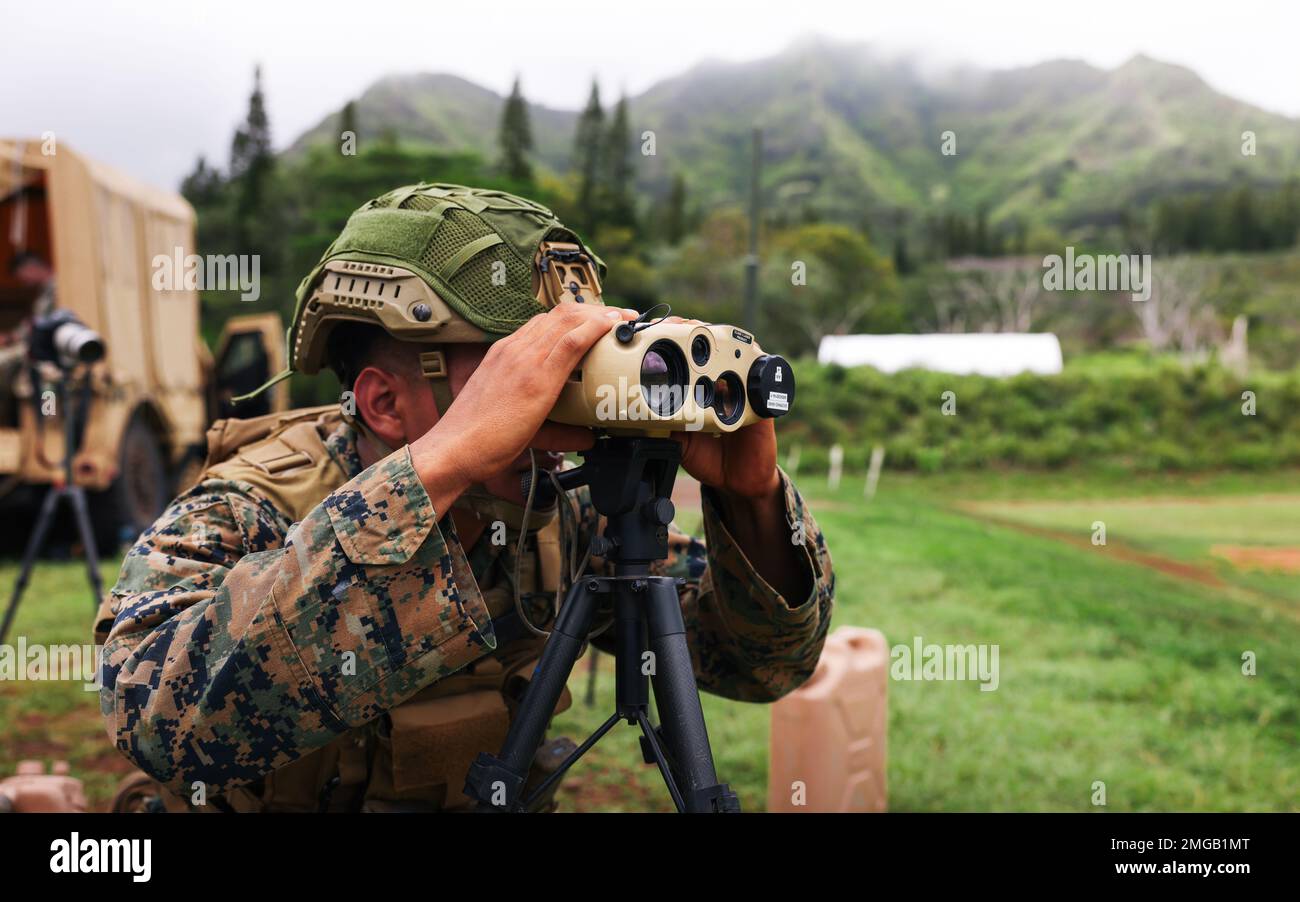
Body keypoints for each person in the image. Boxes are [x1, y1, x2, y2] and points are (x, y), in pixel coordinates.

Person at [95, 183, 834, 812]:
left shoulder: (558, 506)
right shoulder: (257, 503)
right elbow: (158, 720)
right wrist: (436, 469)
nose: (556, 401)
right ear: (384, 402)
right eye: (522, 367)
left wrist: (755, 501)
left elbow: (757, 662)